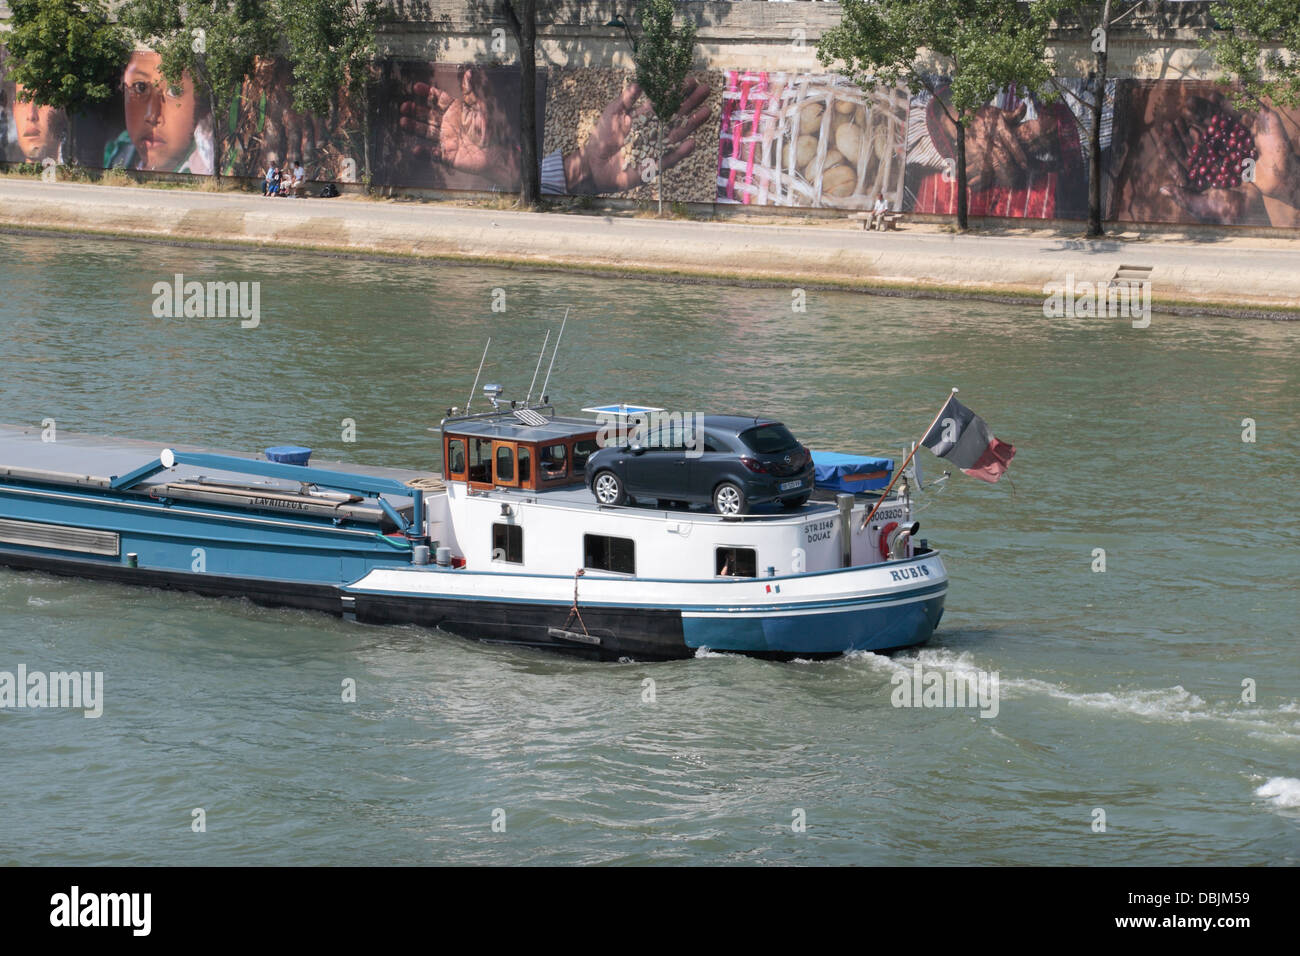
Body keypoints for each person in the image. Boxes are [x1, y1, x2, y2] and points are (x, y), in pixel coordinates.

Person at [103, 51, 213, 174]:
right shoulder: (119, 150)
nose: (152, 116)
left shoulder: (207, 168)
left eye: (175, 91)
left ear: (202, 103)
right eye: (140, 87)